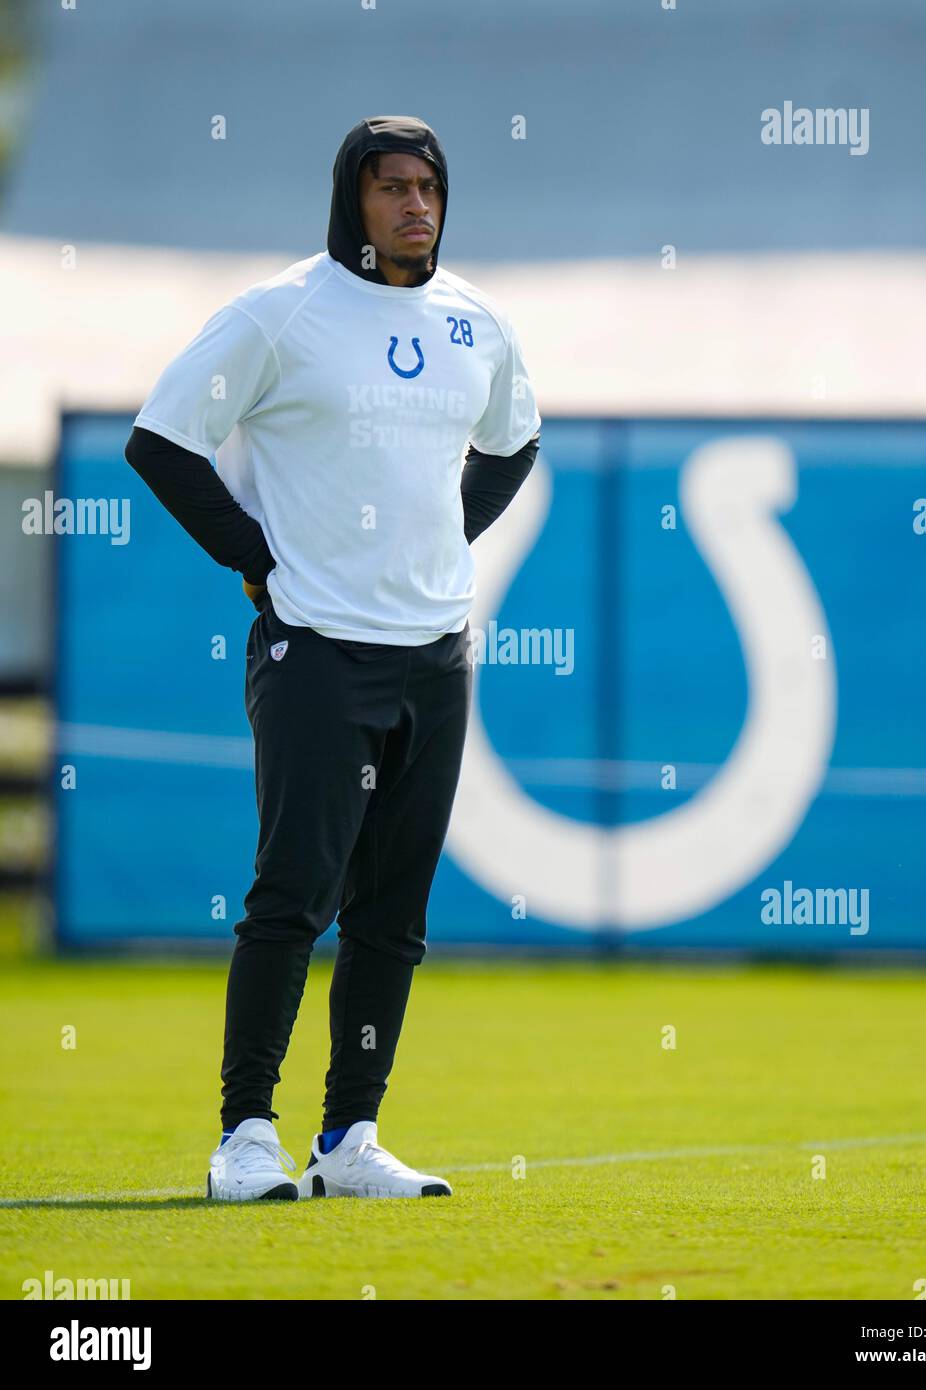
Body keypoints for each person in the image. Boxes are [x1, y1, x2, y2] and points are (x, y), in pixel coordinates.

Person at [124, 115, 542, 1200]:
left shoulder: (473, 322)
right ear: (349, 198)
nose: (415, 206)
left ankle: (349, 1137)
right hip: (314, 648)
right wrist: (254, 558)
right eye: (391, 187)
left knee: (392, 913)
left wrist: (445, 540)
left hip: (433, 657)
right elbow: (160, 439)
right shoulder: (282, 312)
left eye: (429, 188)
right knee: (293, 894)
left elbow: (515, 440)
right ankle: (244, 1137)